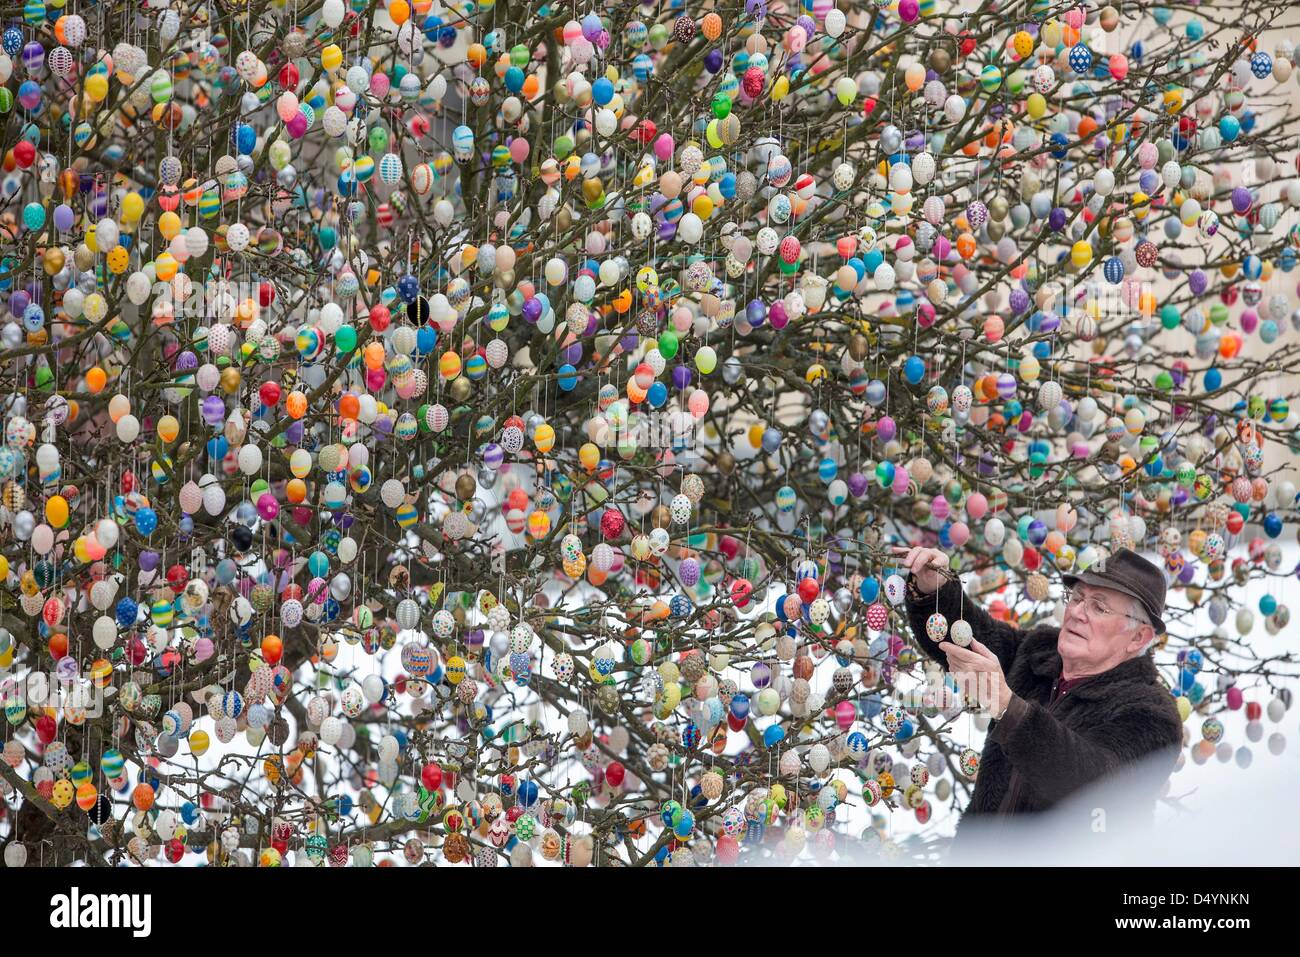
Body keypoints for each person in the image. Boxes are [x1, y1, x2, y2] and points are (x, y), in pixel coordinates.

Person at [893, 544, 1183, 851]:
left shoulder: (1153, 717)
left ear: (1138, 637)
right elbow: (971, 637)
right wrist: (936, 589)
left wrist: (1010, 709)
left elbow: (1092, 782)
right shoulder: (1037, 653)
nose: (1077, 613)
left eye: (1099, 607)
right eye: (1077, 598)